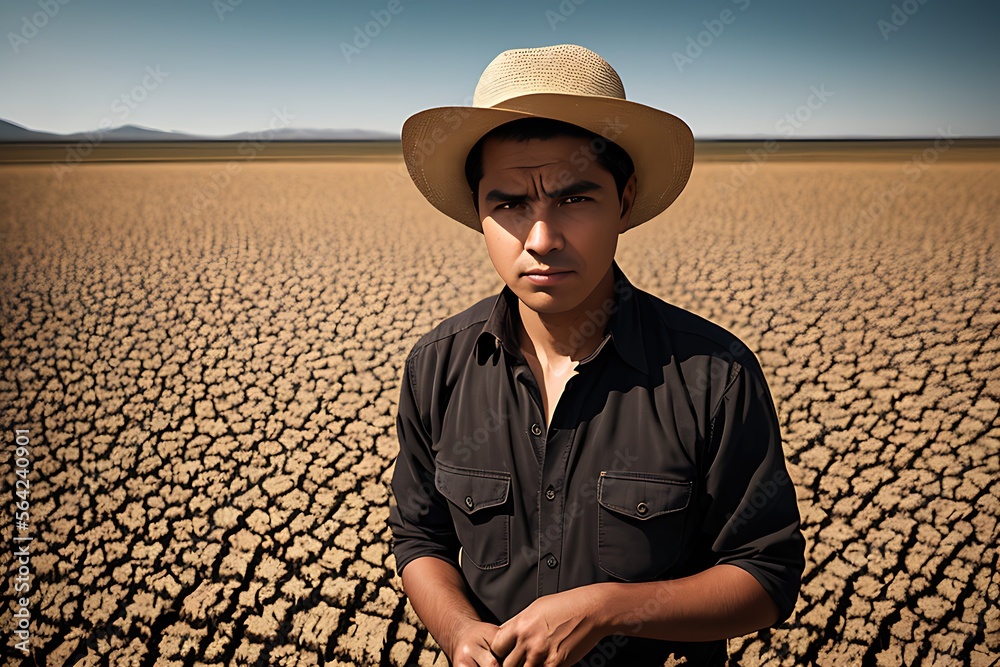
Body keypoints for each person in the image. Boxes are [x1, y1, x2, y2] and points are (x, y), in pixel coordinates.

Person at [387, 43, 805, 667]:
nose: (541, 239)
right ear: (478, 211)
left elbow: (765, 576)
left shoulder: (714, 376)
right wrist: (458, 631)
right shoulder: (437, 367)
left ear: (625, 200)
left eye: (574, 199)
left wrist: (608, 609)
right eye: (510, 204)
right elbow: (421, 537)